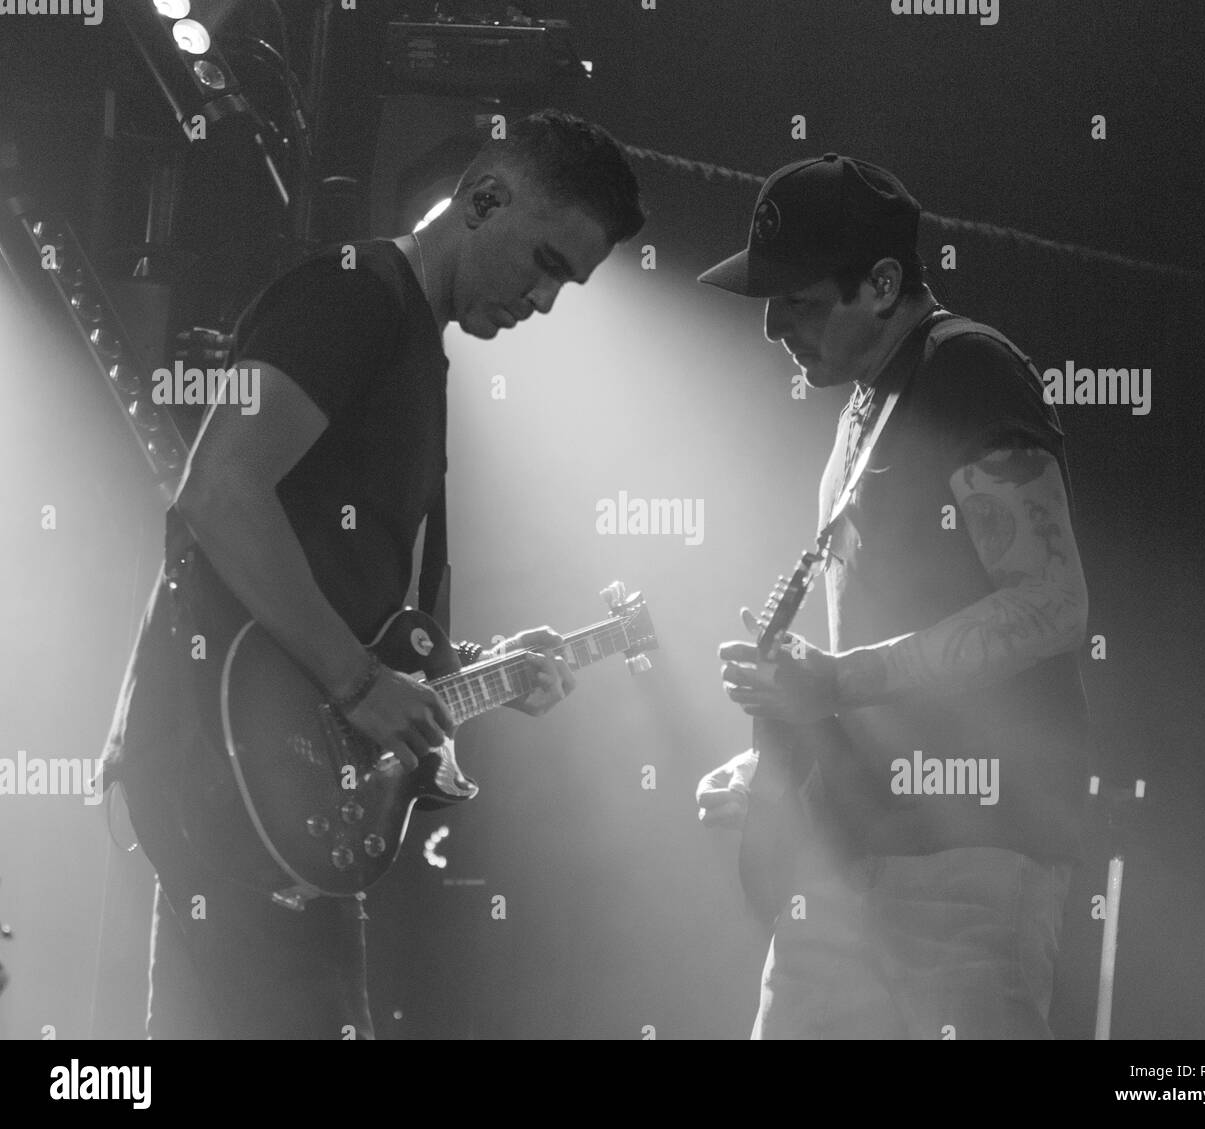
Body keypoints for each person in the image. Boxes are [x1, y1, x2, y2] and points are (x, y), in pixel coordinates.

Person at [98, 109, 645, 1039]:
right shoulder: (355, 295)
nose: (547, 301)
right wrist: (356, 684)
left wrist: (471, 663)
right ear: (483, 198)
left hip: (281, 795)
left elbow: (351, 600)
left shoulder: (411, 342)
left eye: (571, 284)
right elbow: (221, 492)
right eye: (548, 263)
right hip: (237, 778)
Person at [695, 153, 1089, 1039]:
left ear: (880, 283)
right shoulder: (864, 405)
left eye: (795, 297)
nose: (770, 327)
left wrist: (835, 683)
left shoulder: (968, 368)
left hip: (971, 851)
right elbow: (866, 657)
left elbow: (1053, 602)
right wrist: (784, 757)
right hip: (846, 856)